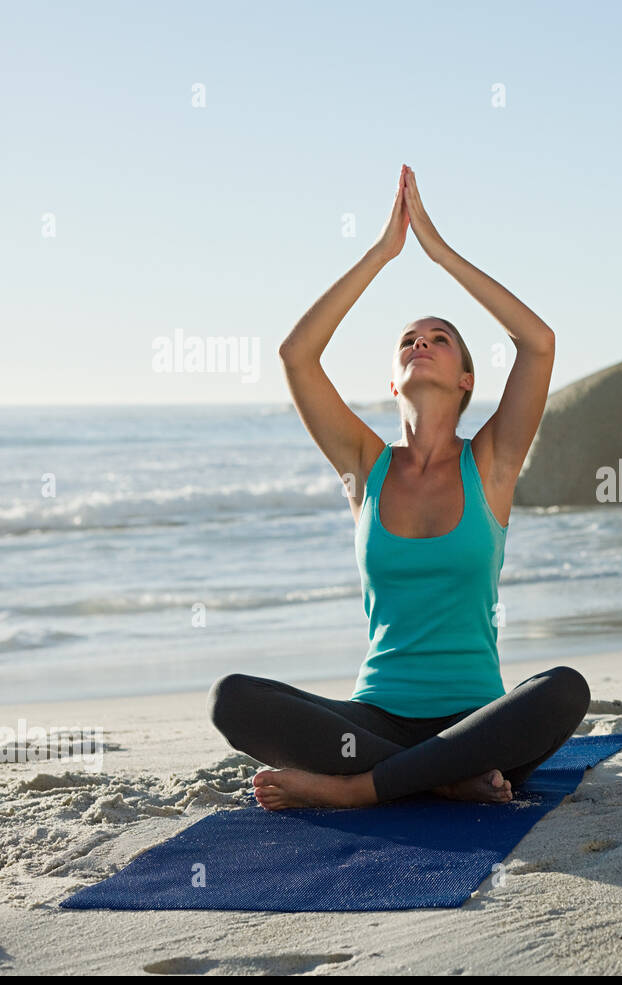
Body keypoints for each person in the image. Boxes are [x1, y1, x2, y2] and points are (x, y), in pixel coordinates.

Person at [209, 165, 590, 810]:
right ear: (393, 380)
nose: (422, 343)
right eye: (408, 341)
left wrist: (437, 251)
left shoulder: (491, 463)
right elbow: (297, 354)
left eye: (440, 340)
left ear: (467, 380)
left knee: (565, 689)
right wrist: (384, 253)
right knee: (233, 698)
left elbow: (538, 342)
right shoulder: (366, 466)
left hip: (477, 723)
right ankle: (437, 780)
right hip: (374, 723)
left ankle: (360, 790)